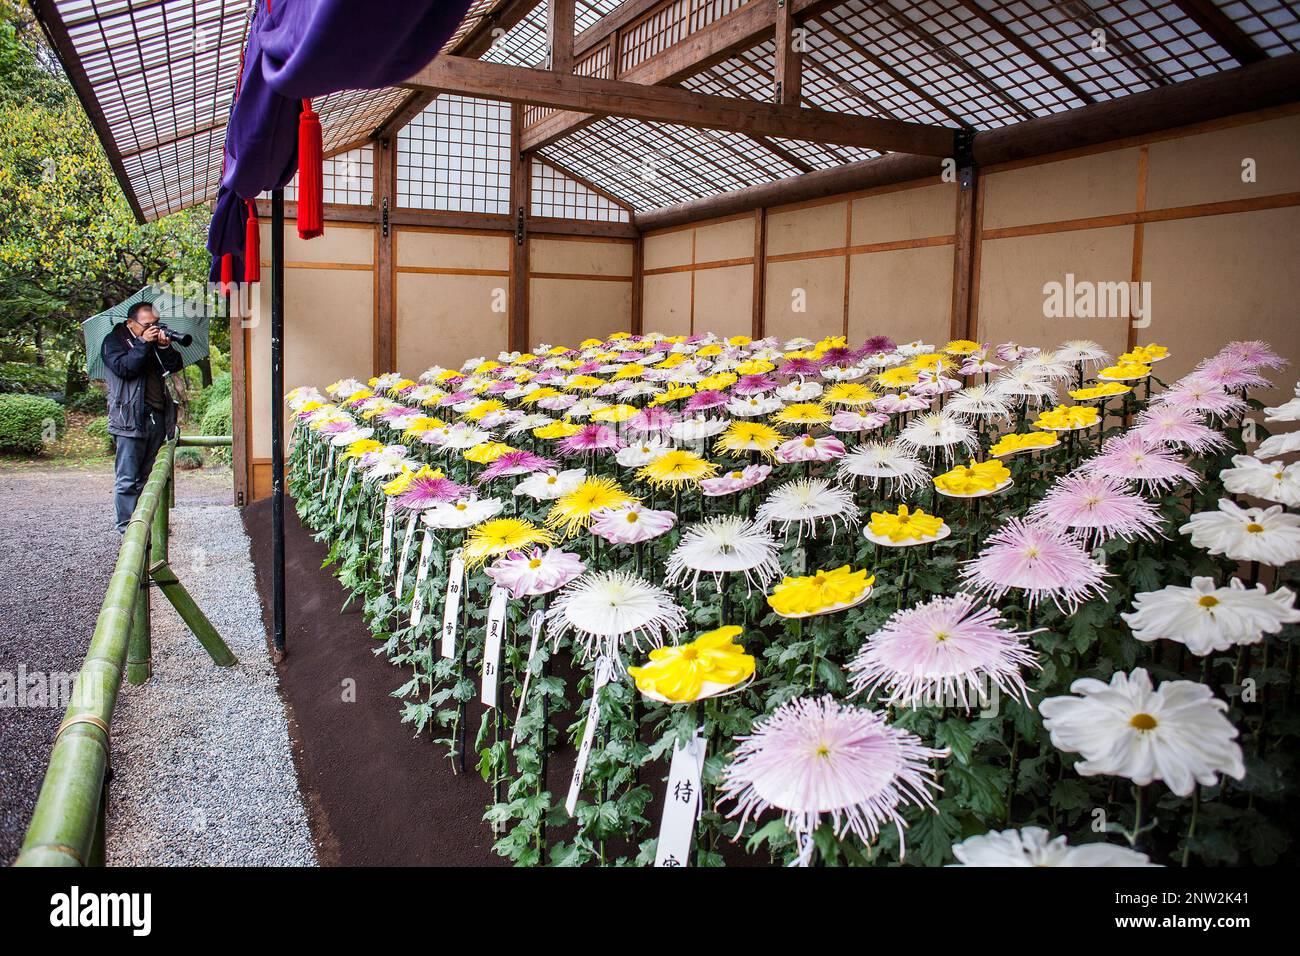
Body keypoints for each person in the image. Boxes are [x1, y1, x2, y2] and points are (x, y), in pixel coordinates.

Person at [102, 302, 184, 532]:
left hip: (156, 417)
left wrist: (165, 348)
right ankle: (127, 532)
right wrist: (142, 343)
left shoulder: (153, 342)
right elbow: (126, 368)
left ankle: (147, 526)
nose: (153, 328)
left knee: (149, 478)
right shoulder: (113, 342)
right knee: (127, 480)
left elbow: (175, 365)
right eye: (148, 324)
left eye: (156, 323)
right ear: (131, 323)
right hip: (128, 419)